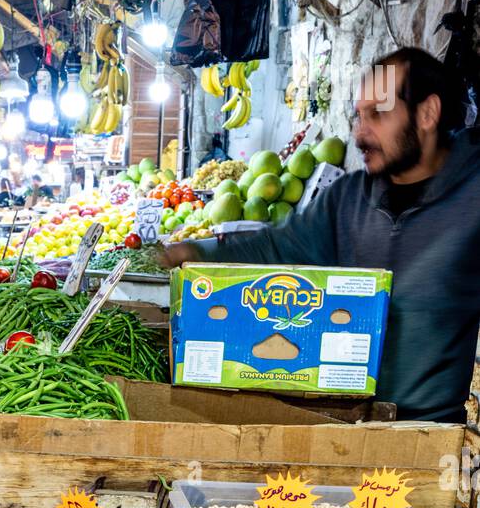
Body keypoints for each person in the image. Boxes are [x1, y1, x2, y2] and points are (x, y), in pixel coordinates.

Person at [162, 47, 480, 425]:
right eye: (358, 116)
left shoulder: (472, 198)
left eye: (377, 114)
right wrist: (196, 253)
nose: (361, 133)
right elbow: (278, 247)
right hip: (338, 421)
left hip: (428, 431)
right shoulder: (347, 198)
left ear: (427, 114)